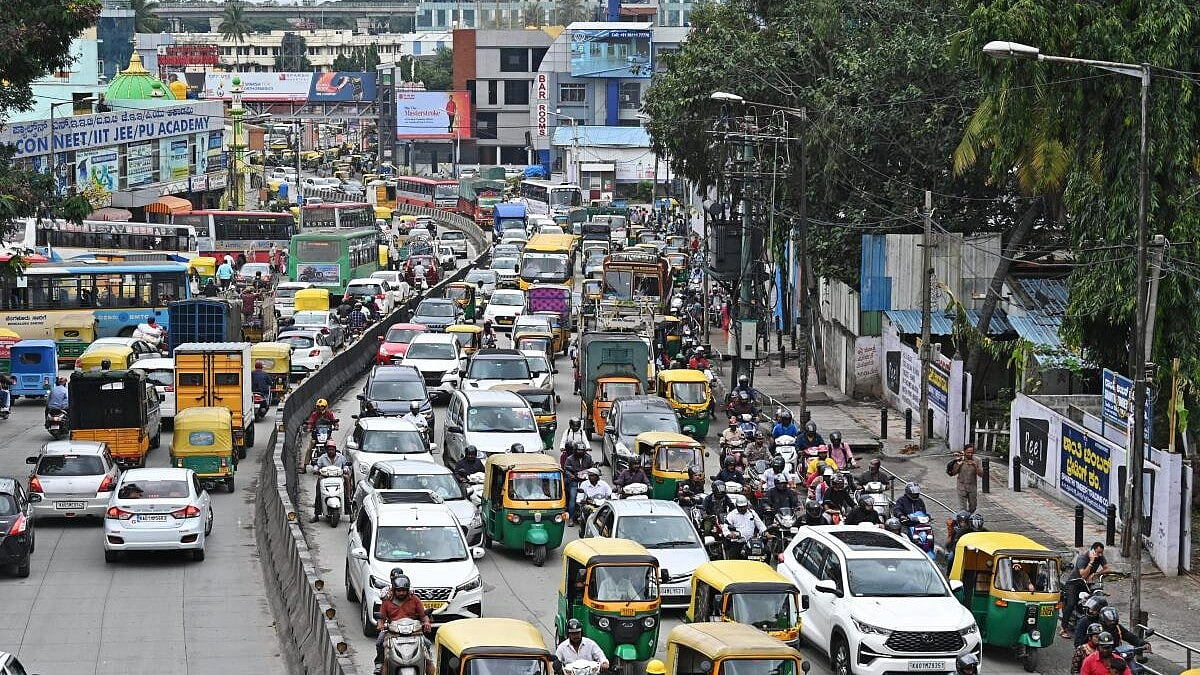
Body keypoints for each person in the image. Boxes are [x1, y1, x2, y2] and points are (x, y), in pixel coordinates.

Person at [375, 573, 432, 671]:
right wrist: (380, 624)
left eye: (404, 591)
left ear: (408, 590)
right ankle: (379, 663)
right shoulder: (386, 601)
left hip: (413, 631)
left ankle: (428, 663)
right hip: (393, 632)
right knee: (379, 642)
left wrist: (426, 622)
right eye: (399, 591)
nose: (402, 593)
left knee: (427, 644)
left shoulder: (415, 599)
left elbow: (423, 615)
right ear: (394, 590)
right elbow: (382, 617)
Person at [1063, 542, 1113, 637]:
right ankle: (1063, 628)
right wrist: (1091, 561)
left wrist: (1095, 574)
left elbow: (1108, 569)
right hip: (1074, 583)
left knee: (1094, 600)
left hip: (1086, 583)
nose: (1100, 555)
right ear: (1092, 551)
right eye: (1098, 552)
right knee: (1071, 603)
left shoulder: (1100, 557)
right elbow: (1083, 575)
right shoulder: (1082, 558)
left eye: (1101, 552)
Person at [311, 441, 350, 522]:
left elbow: (345, 465)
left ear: (335, 450)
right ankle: (316, 515)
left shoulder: (341, 457)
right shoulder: (322, 458)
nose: (330, 451)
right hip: (324, 478)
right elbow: (317, 465)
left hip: (338, 478)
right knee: (318, 494)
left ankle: (350, 512)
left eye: (332, 449)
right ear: (326, 450)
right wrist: (316, 469)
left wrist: (345, 469)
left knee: (345, 488)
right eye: (329, 449)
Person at [563, 442, 595, 525]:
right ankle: (571, 518)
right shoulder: (569, 459)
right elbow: (566, 469)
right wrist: (572, 476)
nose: (580, 452)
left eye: (582, 450)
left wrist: (590, 473)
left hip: (586, 481)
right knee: (573, 498)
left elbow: (592, 467)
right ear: (574, 450)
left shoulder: (588, 458)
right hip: (575, 481)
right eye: (578, 450)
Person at [950, 444, 981, 512]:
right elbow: (954, 473)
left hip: (972, 487)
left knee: (973, 506)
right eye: (968, 452)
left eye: (971, 452)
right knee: (962, 509)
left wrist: (975, 466)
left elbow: (981, 474)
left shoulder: (977, 460)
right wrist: (959, 464)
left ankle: (969, 519)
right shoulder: (959, 459)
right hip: (961, 487)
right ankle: (963, 521)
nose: (970, 454)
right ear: (964, 452)